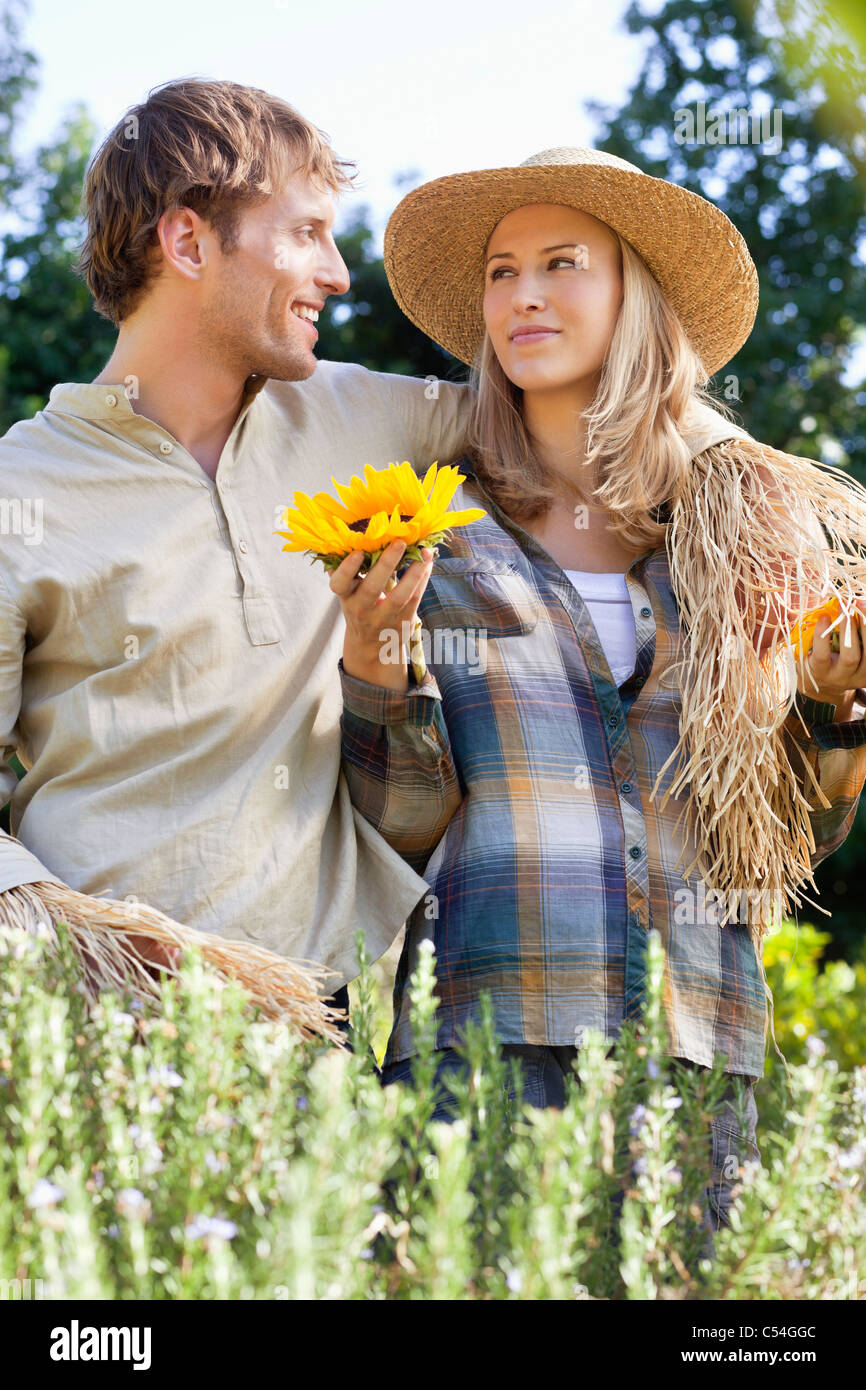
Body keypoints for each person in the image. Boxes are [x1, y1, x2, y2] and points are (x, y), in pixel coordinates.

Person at [330, 146, 866, 1246]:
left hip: (694, 1049)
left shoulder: (730, 548)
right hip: (481, 1038)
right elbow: (403, 825)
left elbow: (785, 838)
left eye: (561, 263)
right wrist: (375, 663)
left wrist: (824, 710)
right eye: (500, 271)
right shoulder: (433, 531)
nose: (521, 294)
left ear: (634, 299)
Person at [0, 77, 475, 1028]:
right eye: (304, 233)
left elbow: (569, 419)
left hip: (317, 1029)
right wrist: (71, 939)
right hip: (99, 1031)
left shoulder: (369, 415)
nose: (339, 275)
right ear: (186, 242)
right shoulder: (20, 492)